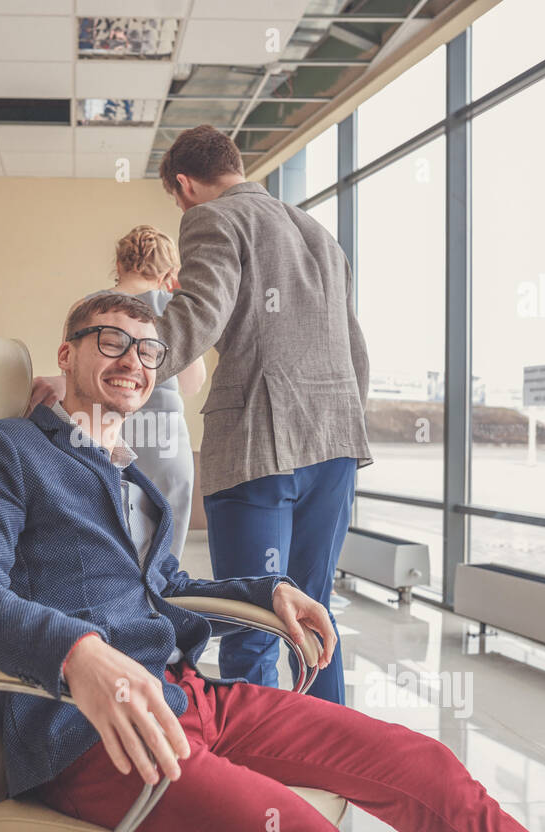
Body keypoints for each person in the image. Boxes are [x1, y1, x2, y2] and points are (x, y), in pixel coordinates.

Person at [0, 294, 545, 832]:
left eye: (148, 350)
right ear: (67, 354)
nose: (132, 361)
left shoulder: (130, 475)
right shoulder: (7, 448)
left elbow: (162, 585)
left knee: (426, 769)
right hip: (96, 733)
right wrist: (77, 652)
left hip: (195, 696)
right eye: (110, 341)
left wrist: (265, 590)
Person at [144, 124, 371, 707]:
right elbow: (355, 349)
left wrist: (115, 369)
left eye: (175, 195)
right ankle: (332, 762)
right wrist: (343, 432)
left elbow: (197, 317)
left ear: (185, 185)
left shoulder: (213, 219)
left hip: (259, 446)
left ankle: (260, 777)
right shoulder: (321, 235)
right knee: (313, 614)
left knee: (255, 617)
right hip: (335, 445)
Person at [29, 225, 205, 559]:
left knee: (102, 537)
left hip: (96, 430)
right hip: (164, 439)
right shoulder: (173, 307)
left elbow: (71, 369)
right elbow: (192, 384)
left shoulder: (90, 306)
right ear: (169, 273)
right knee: (162, 557)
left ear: (119, 264)